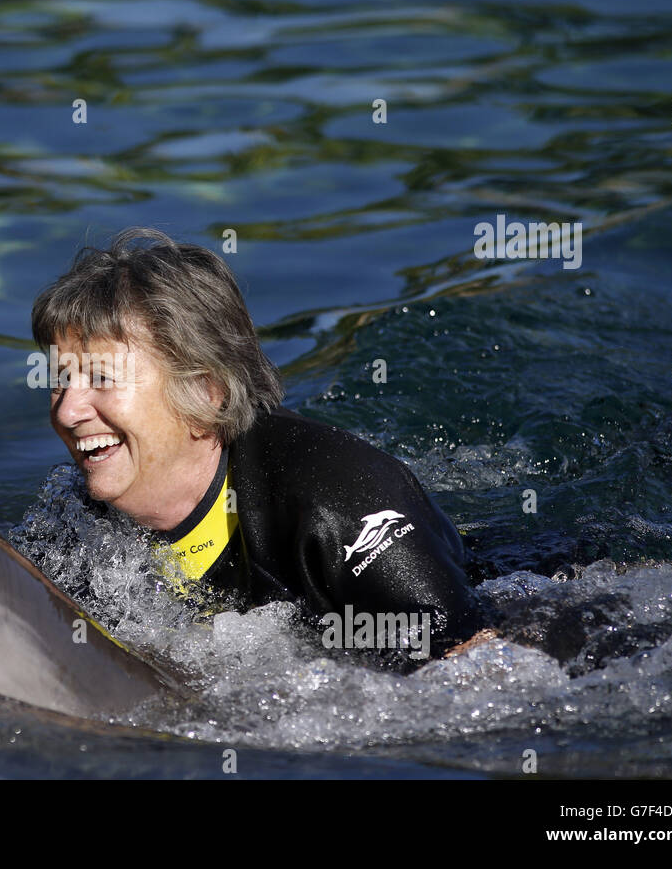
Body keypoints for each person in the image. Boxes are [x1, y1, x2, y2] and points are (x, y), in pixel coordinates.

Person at [30, 227, 495, 658]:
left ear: (206, 391)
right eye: (60, 380)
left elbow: (483, 674)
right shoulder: (77, 521)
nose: (67, 412)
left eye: (101, 379)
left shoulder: (338, 506)